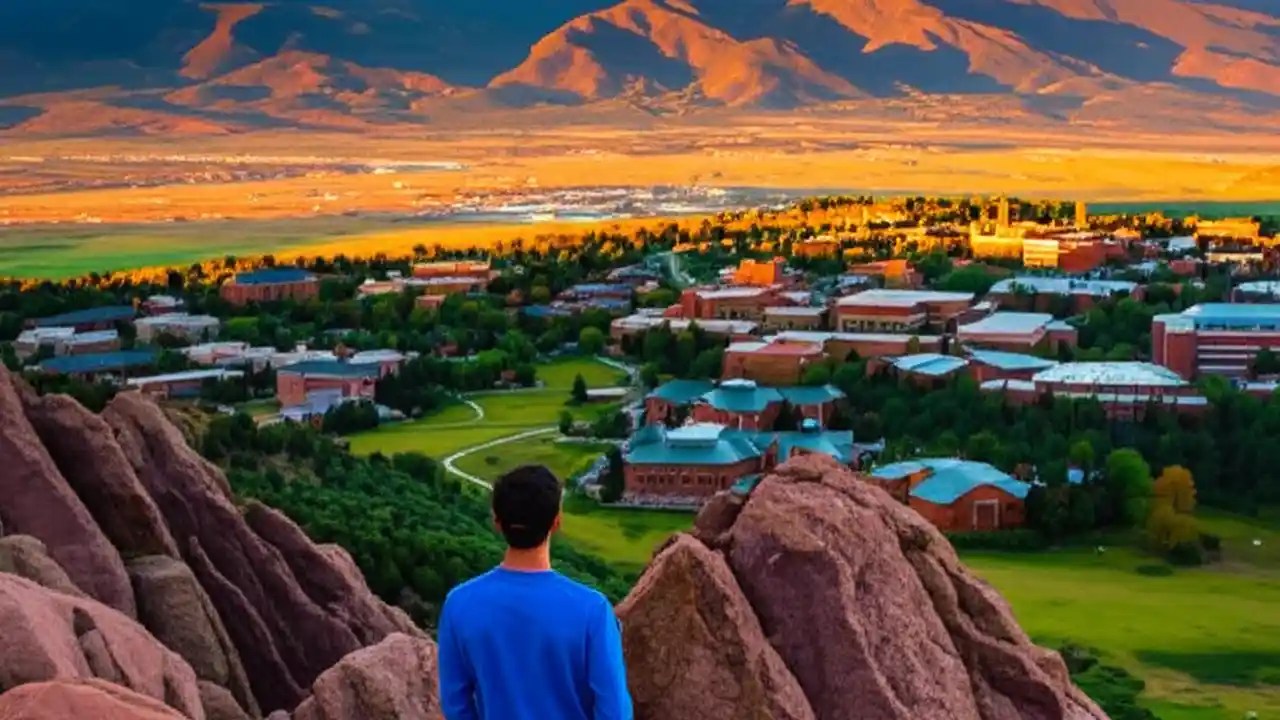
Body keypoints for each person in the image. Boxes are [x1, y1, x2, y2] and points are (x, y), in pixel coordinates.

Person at [438, 465, 633, 720]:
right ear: (556, 522)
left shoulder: (458, 604)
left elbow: (455, 705)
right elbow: (615, 712)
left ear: (497, 521)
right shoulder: (592, 610)